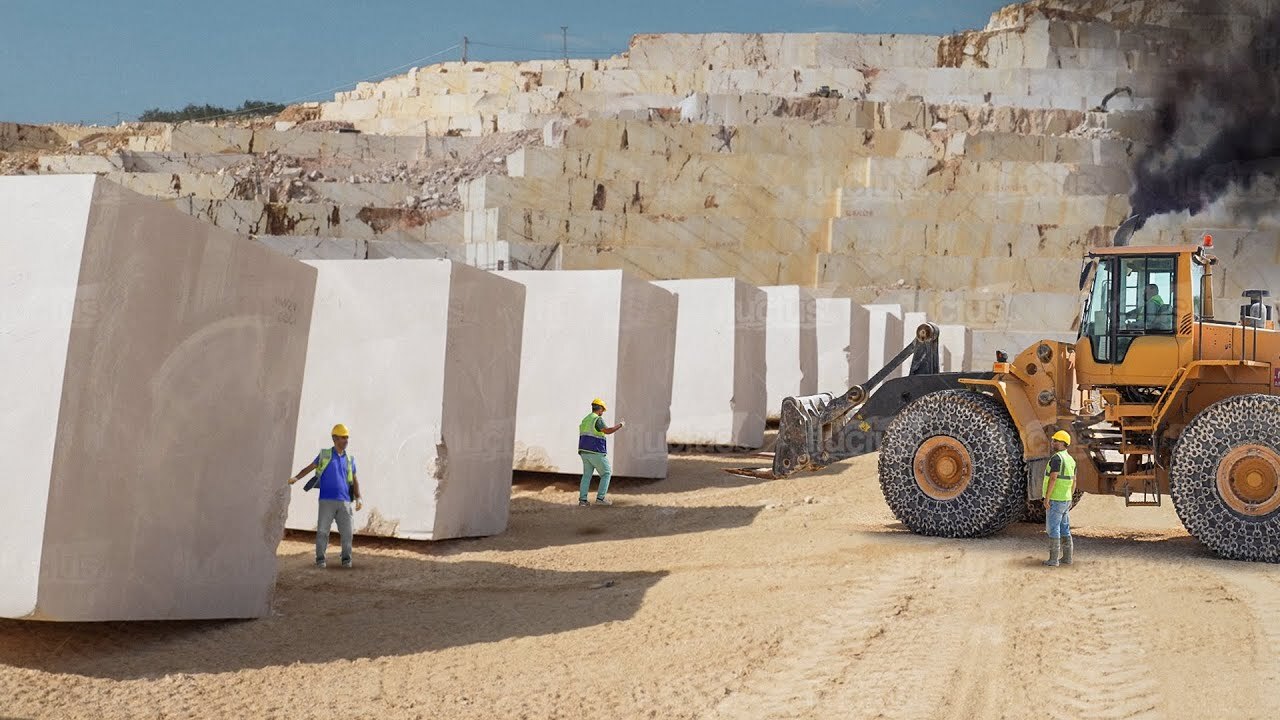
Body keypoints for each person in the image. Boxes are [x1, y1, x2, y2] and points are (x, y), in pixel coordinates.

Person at [289, 423, 363, 568]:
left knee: (347, 533)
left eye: (347, 437)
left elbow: (354, 479)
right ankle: (320, 560)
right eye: (343, 437)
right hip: (326, 501)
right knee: (323, 531)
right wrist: (296, 478)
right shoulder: (324, 455)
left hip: (345, 501)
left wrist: (358, 497)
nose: (346, 440)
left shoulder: (350, 459)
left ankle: (346, 560)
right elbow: (309, 468)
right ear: (335, 439)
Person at [578, 398, 624, 506]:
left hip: (584, 452)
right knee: (606, 473)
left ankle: (583, 501)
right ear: (600, 409)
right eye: (602, 410)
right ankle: (600, 498)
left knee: (586, 476)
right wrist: (620, 425)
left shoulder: (586, 419)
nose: (602, 412)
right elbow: (607, 431)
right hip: (595, 451)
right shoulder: (597, 419)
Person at [1042, 430, 1076, 567]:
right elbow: (1075, 481)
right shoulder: (1071, 460)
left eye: (1055, 440)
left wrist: (1047, 498)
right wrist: (1070, 497)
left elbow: (1053, 478)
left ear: (1062, 443)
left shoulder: (1057, 459)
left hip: (1056, 499)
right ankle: (1067, 558)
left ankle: (1053, 559)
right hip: (1066, 499)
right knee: (1065, 528)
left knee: (1053, 528)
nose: (1052, 443)